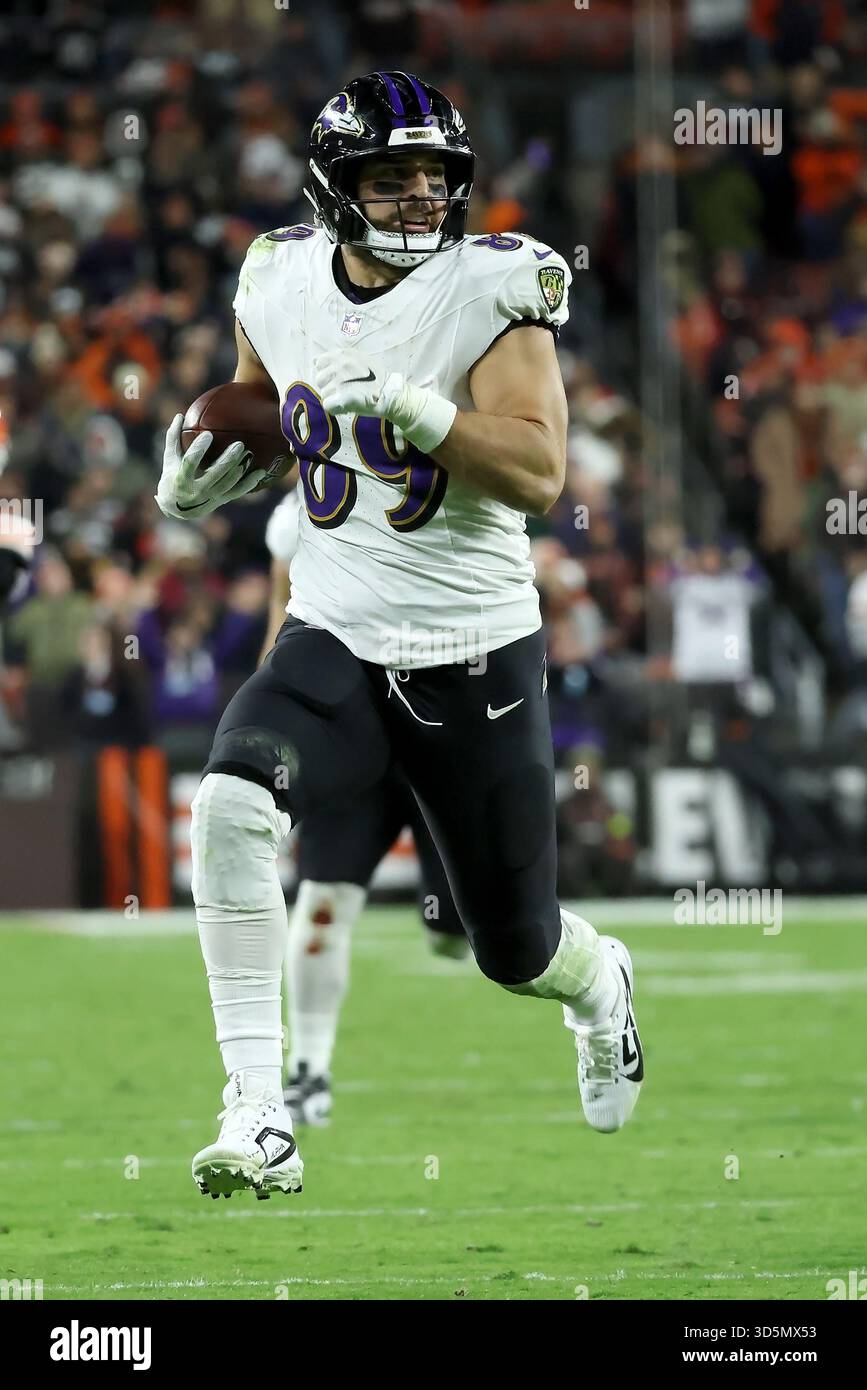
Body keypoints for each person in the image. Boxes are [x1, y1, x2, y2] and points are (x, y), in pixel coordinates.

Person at [155, 71, 644, 1202]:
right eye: (392, 175)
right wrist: (196, 477)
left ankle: (599, 981)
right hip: (332, 632)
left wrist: (422, 411)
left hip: (471, 647)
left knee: (513, 946)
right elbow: (267, 426)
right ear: (336, 186)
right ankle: (258, 1105)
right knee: (229, 805)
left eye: (435, 176)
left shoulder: (495, 286)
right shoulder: (274, 278)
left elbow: (538, 470)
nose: (421, 197)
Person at [262, 487, 468, 1126]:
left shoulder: (443, 485)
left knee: (459, 938)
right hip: (349, 733)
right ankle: (309, 1073)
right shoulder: (297, 514)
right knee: (323, 903)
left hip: (439, 729)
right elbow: (283, 618)